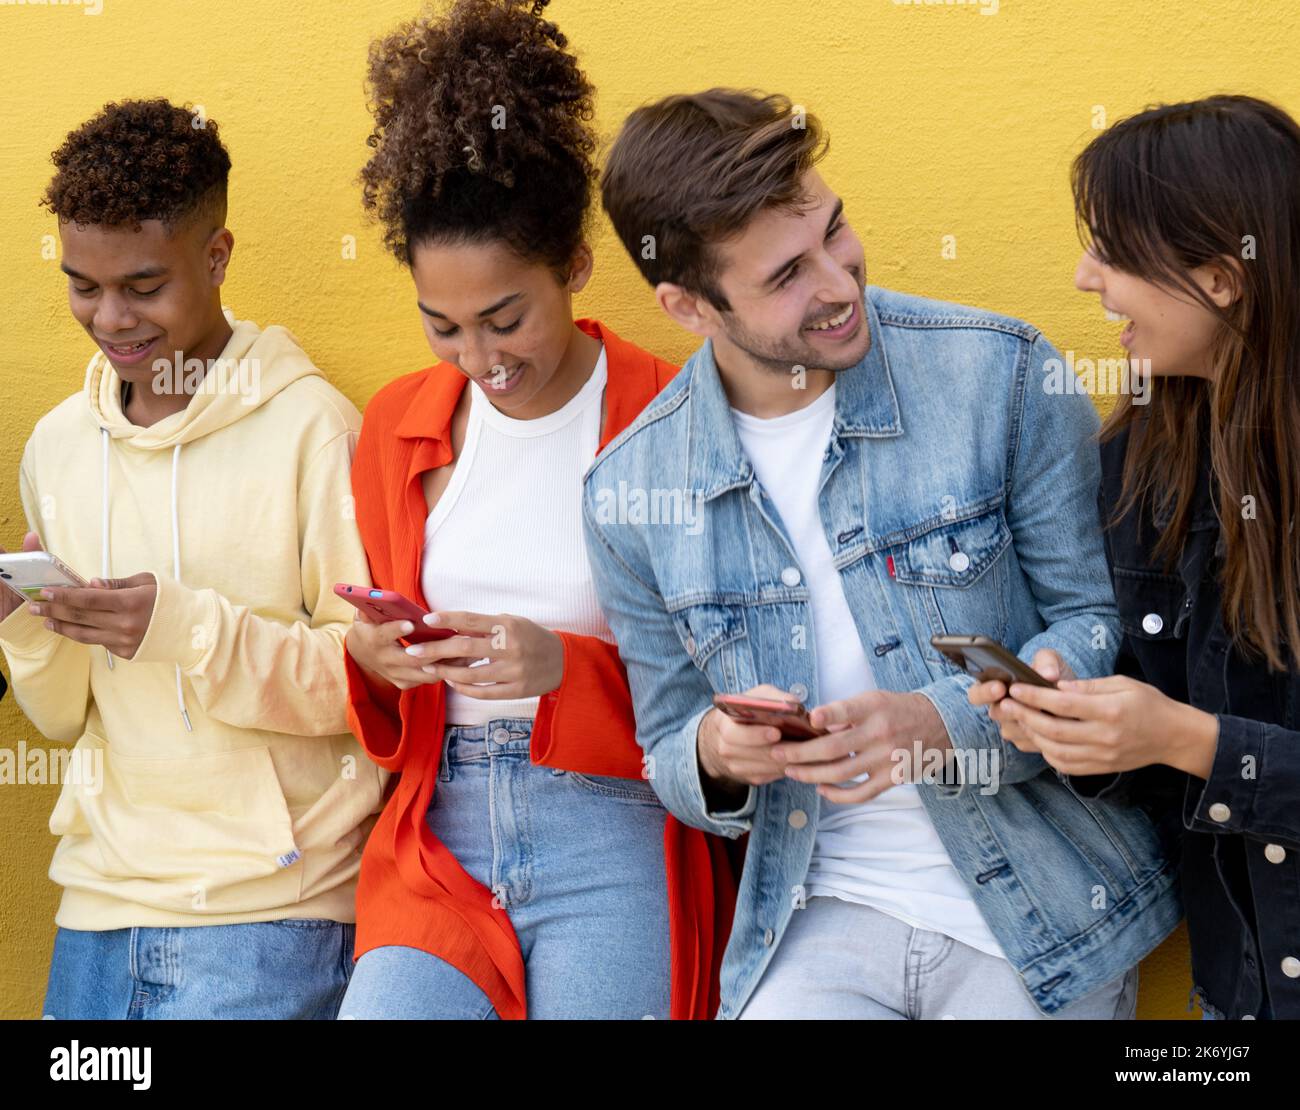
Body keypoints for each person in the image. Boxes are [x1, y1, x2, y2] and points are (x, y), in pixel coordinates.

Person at [584, 87, 1181, 1019]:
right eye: (786, 276)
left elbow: (1101, 626)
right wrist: (717, 751)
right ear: (690, 307)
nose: (837, 281)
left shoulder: (999, 372)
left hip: (1044, 915)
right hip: (818, 914)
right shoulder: (628, 492)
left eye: (836, 229)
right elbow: (667, 746)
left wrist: (943, 724)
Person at [336, 0, 736, 1021]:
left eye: (505, 319)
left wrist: (564, 668)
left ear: (574, 269)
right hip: (442, 827)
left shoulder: (677, 413)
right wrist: (376, 659)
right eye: (444, 327)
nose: (481, 360)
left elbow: (732, 674)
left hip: (619, 817)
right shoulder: (398, 424)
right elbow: (392, 686)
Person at [0, 98, 384, 1019]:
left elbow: (372, 682)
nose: (110, 317)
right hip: (97, 914)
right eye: (84, 286)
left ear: (216, 258)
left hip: (272, 921)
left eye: (142, 285)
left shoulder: (313, 429)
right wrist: (26, 625)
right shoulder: (57, 447)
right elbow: (59, 721)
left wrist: (183, 629)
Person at [975, 94, 1300, 1021]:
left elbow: (1192, 742)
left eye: (1112, 252)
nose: (1086, 278)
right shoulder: (1140, 466)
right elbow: (1163, 763)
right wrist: (1078, 730)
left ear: (1220, 278)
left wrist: (1186, 739)